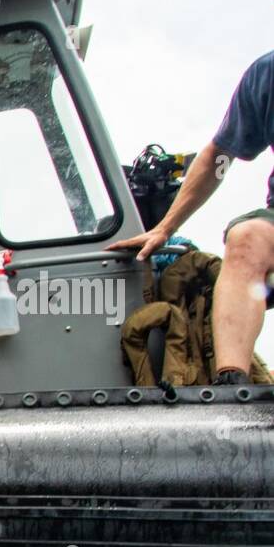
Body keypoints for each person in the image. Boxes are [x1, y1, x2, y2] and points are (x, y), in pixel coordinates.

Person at [109, 50, 274, 386]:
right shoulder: (266, 75)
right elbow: (221, 157)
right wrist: (164, 228)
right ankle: (233, 388)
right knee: (247, 237)